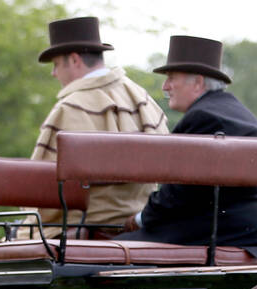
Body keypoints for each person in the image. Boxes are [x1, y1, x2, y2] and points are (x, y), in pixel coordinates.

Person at [115, 36, 257, 255]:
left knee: (112, 251)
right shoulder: (237, 112)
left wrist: (139, 219)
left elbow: (175, 195)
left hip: (221, 232)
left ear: (198, 82)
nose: (165, 86)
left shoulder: (203, 118)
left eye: (172, 78)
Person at [28, 16, 168, 237]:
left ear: (74, 60)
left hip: (81, 230)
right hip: (140, 227)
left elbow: (36, 188)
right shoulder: (143, 99)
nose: (54, 73)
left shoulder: (70, 107)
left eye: (56, 64)